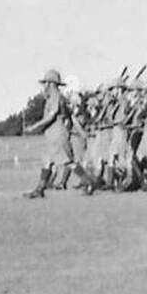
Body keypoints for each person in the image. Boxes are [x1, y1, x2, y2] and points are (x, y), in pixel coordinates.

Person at [24, 68, 89, 198]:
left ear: (51, 84)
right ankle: (40, 189)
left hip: (57, 135)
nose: (44, 86)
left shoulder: (55, 96)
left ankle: (88, 181)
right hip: (52, 135)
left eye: (46, 83)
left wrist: (34, 127)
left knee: (67, 162)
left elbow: (51, 116)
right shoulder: (55, 97)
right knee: (47, 161)